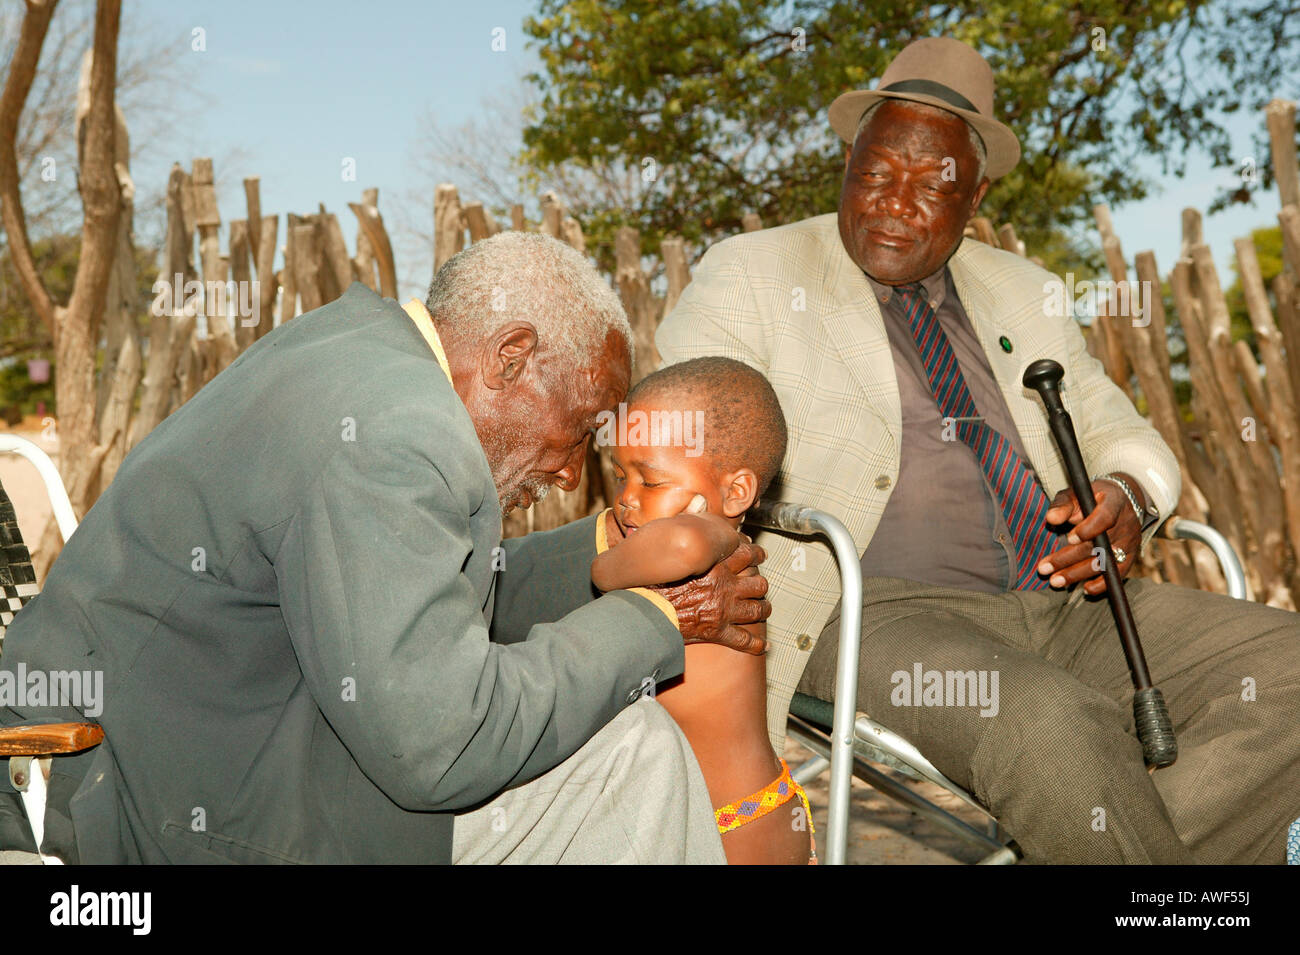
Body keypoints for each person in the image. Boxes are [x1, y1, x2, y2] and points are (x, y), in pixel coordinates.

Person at [656, 36, 1300, 863]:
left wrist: (1127, 496)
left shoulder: (1022, 290)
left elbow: (1122, 431)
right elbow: (682, 441)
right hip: (870, 610)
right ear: (847, 163)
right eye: (878, 171)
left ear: (977, 193)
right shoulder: (754, 272)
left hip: (1070, 603)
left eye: (934, 185)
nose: (895, 203)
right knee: (1052, 725)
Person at [0, 231, 771, 865]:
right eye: (579, 427)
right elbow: (442, 741)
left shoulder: (358, 352)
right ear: (512, 356)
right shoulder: (397, 432)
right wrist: (652, 620)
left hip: (208, 745)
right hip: (145, 806)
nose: (574, 469)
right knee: (629, 758)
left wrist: (604, 548)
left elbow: (428, 596)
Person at [588, 357, 814, 865]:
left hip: (740, 819)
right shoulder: (667, 548)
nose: (626, 501)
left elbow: (684, 544)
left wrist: (604, 569)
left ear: (735, 493)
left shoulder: (715, 542)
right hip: (685, 813)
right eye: (621, 477)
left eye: (650, 483)